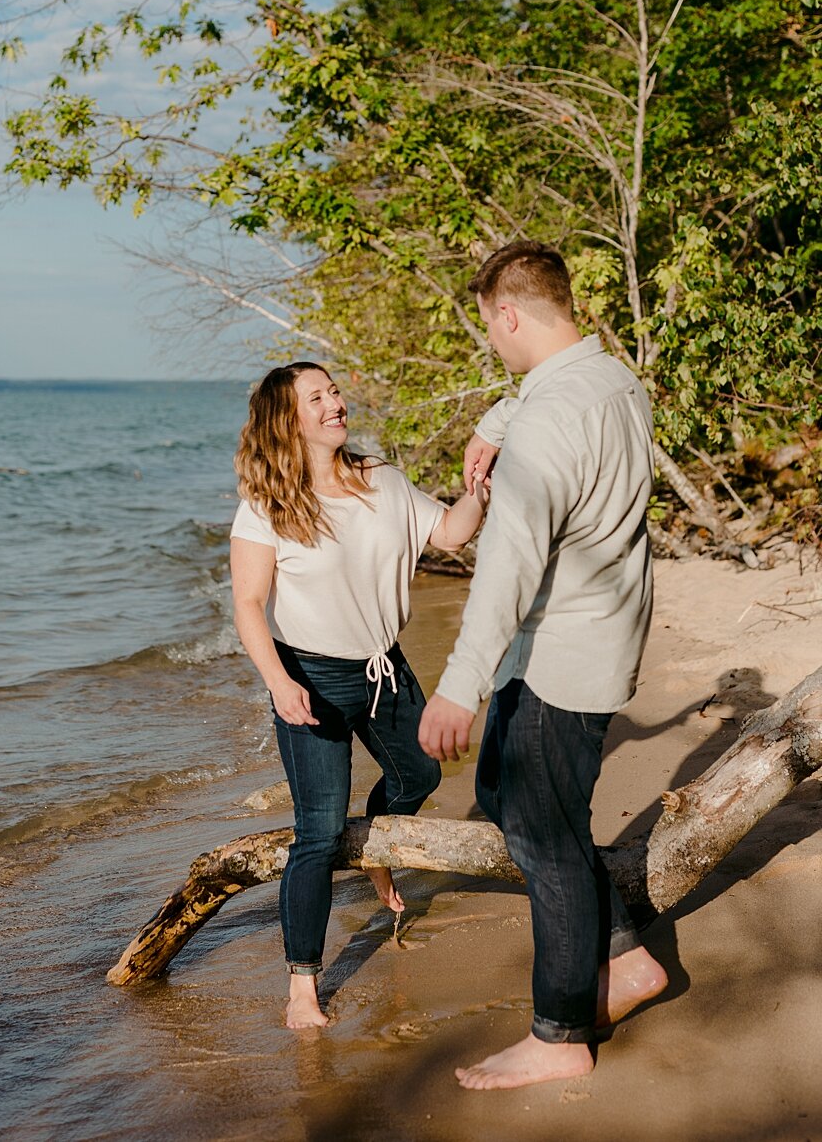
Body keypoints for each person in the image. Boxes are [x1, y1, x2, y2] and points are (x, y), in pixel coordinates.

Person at [418, 240, 670, 1090]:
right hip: (592, 634)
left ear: (510, 314)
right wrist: (494, 425)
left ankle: (562, 1033)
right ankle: (624, 958)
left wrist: (457, 686)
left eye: (491, 326)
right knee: (506, 797)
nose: (494, 342)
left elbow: (507, 565)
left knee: (543, 837)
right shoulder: (608, 379)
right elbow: (530, 400)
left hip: (566, 650)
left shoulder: (550, 417)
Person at [230, 361, 487, 1029]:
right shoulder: (267, 505)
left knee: (423, 770)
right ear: (289, 420)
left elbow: (452, 533)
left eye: (335, 390)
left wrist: (477, 491)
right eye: (317, 397)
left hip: (383, 669)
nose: (335, 402)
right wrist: (279, 683)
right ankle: (303, 986)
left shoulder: (384, 481)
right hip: (307, 677)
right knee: (317, 831)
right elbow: (249, 605)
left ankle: (374, 852)